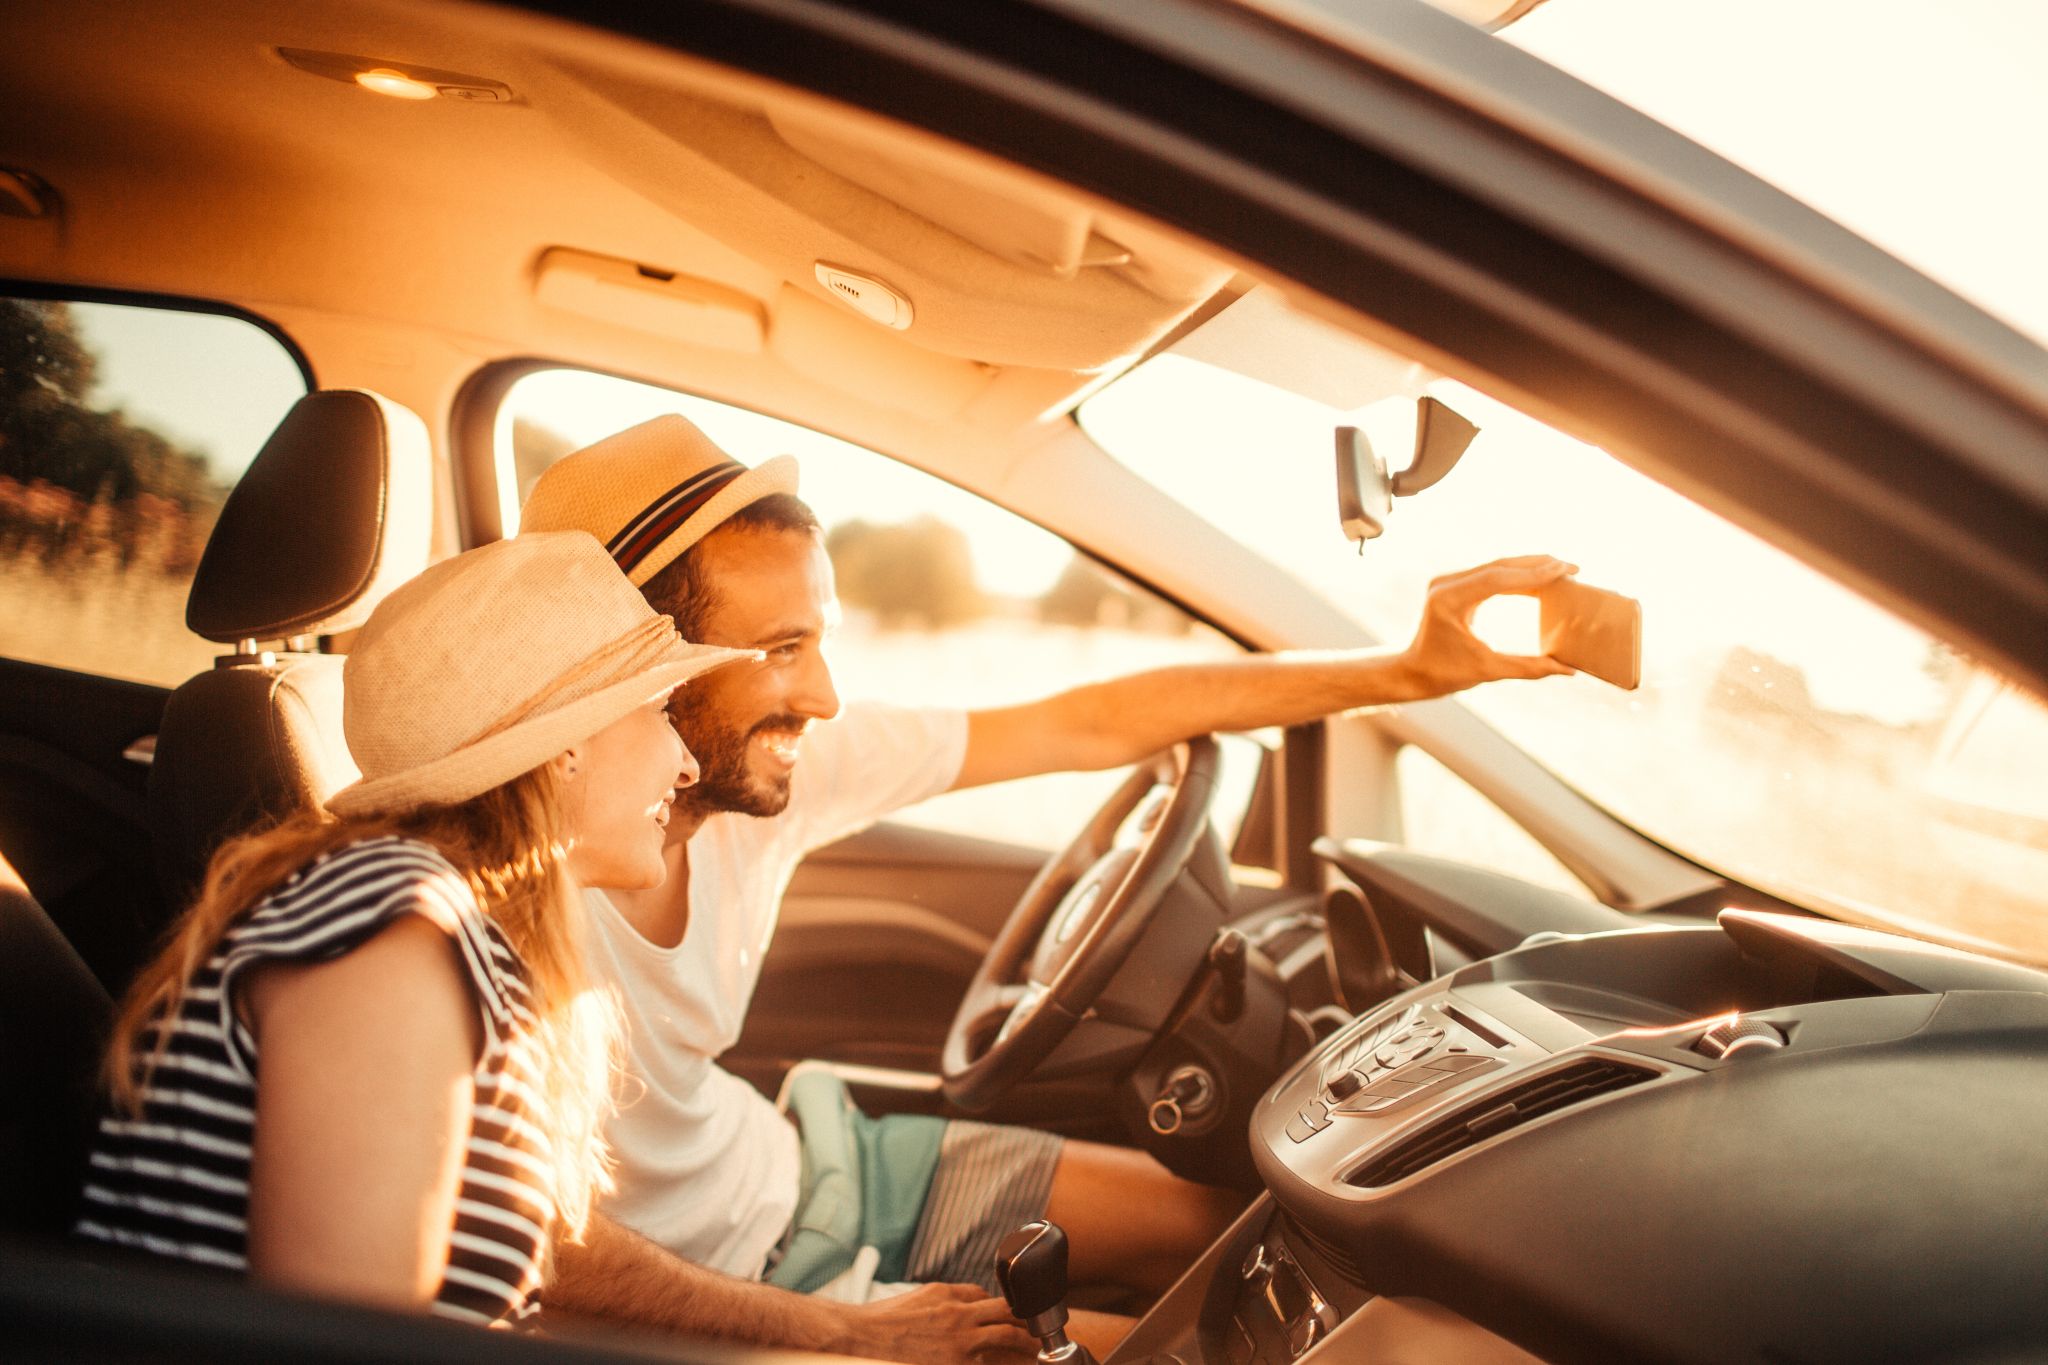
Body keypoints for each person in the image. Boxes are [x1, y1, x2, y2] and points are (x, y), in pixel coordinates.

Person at [519, 416, 1577, 1356]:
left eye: (820, 641)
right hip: (719, 1304)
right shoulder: (505, 897)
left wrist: (1405, 671)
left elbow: (1083, 722)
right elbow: (536, 1234)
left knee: (1242, 1241)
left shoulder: (768, 773)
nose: (826, 696)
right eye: (781, 650)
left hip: (810, 1165)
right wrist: (842, 1329)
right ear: (634, 661)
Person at [75, 532, 755, 1326]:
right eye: (661, 710)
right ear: (567, 744)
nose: (687, 764)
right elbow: (339, 1340)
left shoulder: (449, 927)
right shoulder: (396, 926)